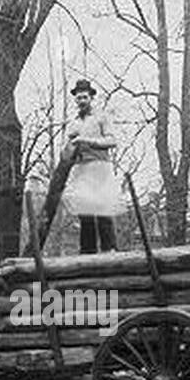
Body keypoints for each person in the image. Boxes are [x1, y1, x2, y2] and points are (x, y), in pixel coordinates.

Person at [62, 79, 121, 254]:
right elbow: (66, 154)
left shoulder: (102, 117)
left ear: (91, 98)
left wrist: (86, 140)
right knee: (85, 211)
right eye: (78, 98)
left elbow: (112, 141)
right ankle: (87, 252)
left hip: (100, 166)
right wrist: (69, 144)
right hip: (81, 168)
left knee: (102, 208)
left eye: (84, 97)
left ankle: (109, 248)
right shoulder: (74, 122)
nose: (81, 101)